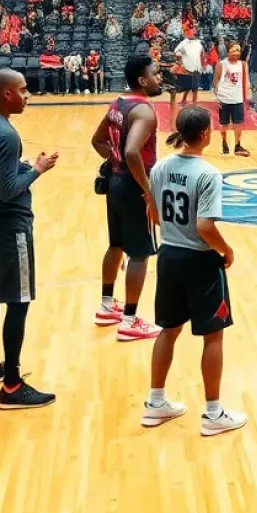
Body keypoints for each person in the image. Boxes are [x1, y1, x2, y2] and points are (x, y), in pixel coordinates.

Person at [140, 106, 247, 437]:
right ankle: (213, 412)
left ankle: (155, 403)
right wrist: (226, 250)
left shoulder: (160, 167)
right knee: (213, 335)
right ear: (204, 134)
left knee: (168, 330)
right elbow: (204, 226)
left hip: (169, 255)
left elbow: (153, 213)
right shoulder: (208, 174)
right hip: (199, 261)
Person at [0, 69, 58, 409]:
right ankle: (12, 385)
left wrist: (18, 169)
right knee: (18, 302)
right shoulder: (7, 134)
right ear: (6, 93)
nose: (28, 95)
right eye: (23, 90)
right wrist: (36, 170)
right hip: (10, 227)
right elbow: (7, 191)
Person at [90, 54, 164, 341]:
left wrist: (115, 159)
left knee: (116, 245)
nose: (159, 78)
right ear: (143, 80)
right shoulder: (145, 111)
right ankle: (130, 320)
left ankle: (107, 306)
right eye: (155, 74)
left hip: (116, 182)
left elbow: (97, 140)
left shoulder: (118, 103)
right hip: (134, 185)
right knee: (140, 253)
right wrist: (148, 191)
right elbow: (133, 151)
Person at [213, 41, 250, 157]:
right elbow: (216, 81)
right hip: (224, 98)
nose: (236, 53)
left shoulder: (242, 64)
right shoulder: (222, 64)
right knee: (224, 124)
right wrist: (217, 97)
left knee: (238, 123)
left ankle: (237, 145)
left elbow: (246, 80)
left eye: (238, 50)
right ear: (228, 51)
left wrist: (247, 96)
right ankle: (224, 143)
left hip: (237, 98)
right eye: (234, 50)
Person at [174, 27, 204, 109]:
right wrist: (179, 58)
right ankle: (184, 100)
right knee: (187, 87)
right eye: (191, 33)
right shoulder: (184, 43)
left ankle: (194, 103)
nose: (193, 34)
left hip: (196, 68)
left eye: (194, 33)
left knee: (195, 87)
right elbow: (176, 51)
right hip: (187, 68)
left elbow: (201, 53)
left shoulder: (199, 43)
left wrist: (202, 64)